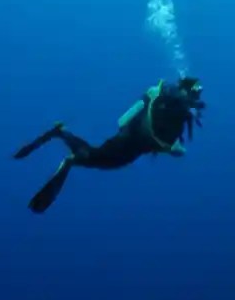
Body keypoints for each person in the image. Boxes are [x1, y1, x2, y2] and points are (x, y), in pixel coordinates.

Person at [13, 76, 205, 214]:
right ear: (186, 90)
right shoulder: (166, 103)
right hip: (126, 145)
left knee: (97, 157)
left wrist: (173, 148)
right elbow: (133, 125)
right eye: (196, 91)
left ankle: (62, 133)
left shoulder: (169, 108)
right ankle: (67, 149)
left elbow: (162, 139)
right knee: (94, 158)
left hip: (129, 147)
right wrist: (173, 148)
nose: (197, 96)